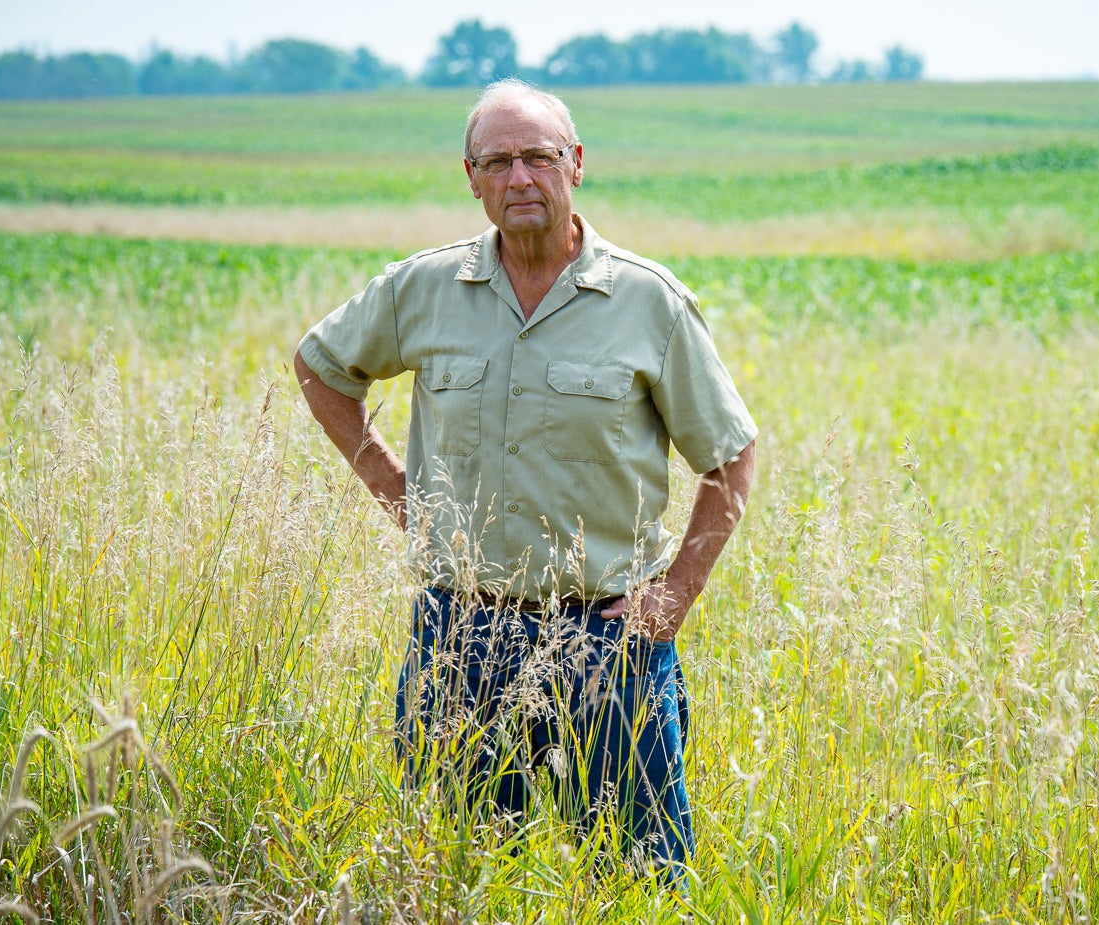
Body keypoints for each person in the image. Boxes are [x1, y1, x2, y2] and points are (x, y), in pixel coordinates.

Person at [293, 79, 757, 883]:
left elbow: (731, 457)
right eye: (498, 161)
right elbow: (321, 366)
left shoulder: (647, 300)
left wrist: (674, 594)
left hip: (609, 640)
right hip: (460, 633)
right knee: (457, 873)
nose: (520, 179)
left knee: (637, 882)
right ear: (469, 177)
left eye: (538, 158)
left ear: (575, 164)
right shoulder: (424, 289)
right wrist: (397, 488)